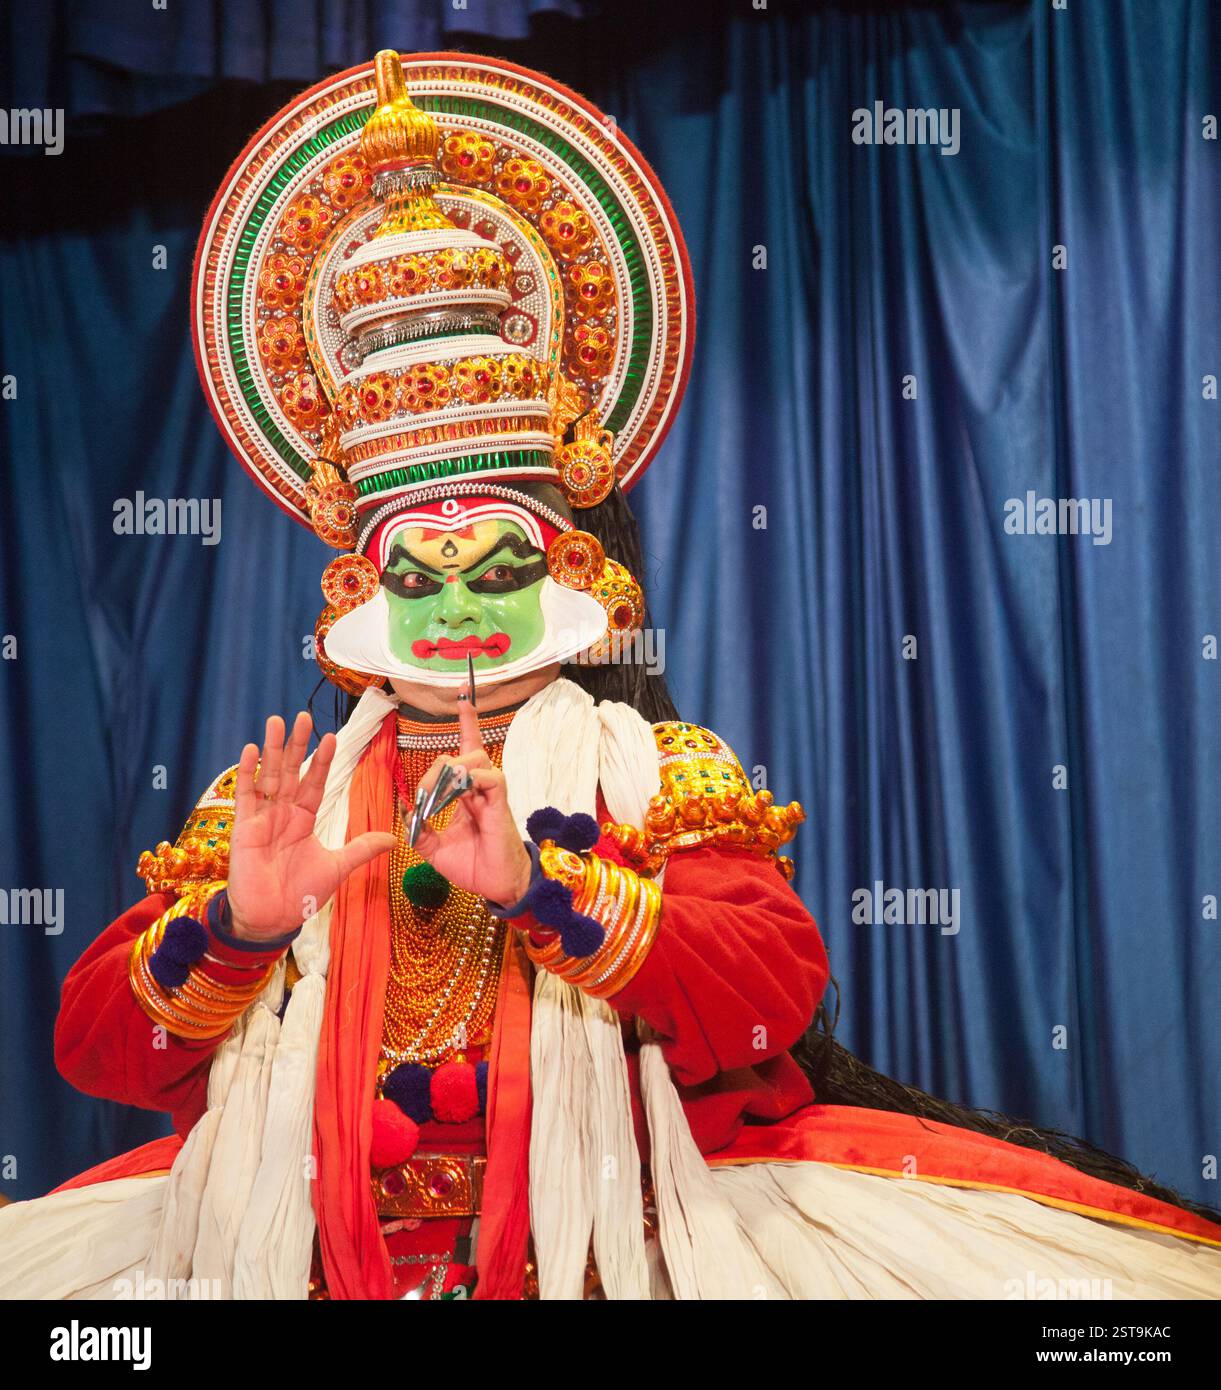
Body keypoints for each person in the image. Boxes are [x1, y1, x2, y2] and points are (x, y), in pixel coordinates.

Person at [1, 50, 1218, 1301]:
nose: (460, 605)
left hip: (627, 1249)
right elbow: (100, 1051)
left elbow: (769, 989)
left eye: (493, 565)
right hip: (295, 1255)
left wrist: (545, 890)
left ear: (571, 570)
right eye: (419, 576)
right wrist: (241, 923)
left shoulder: (654, 771)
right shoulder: (282, 801)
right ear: (356, 594)